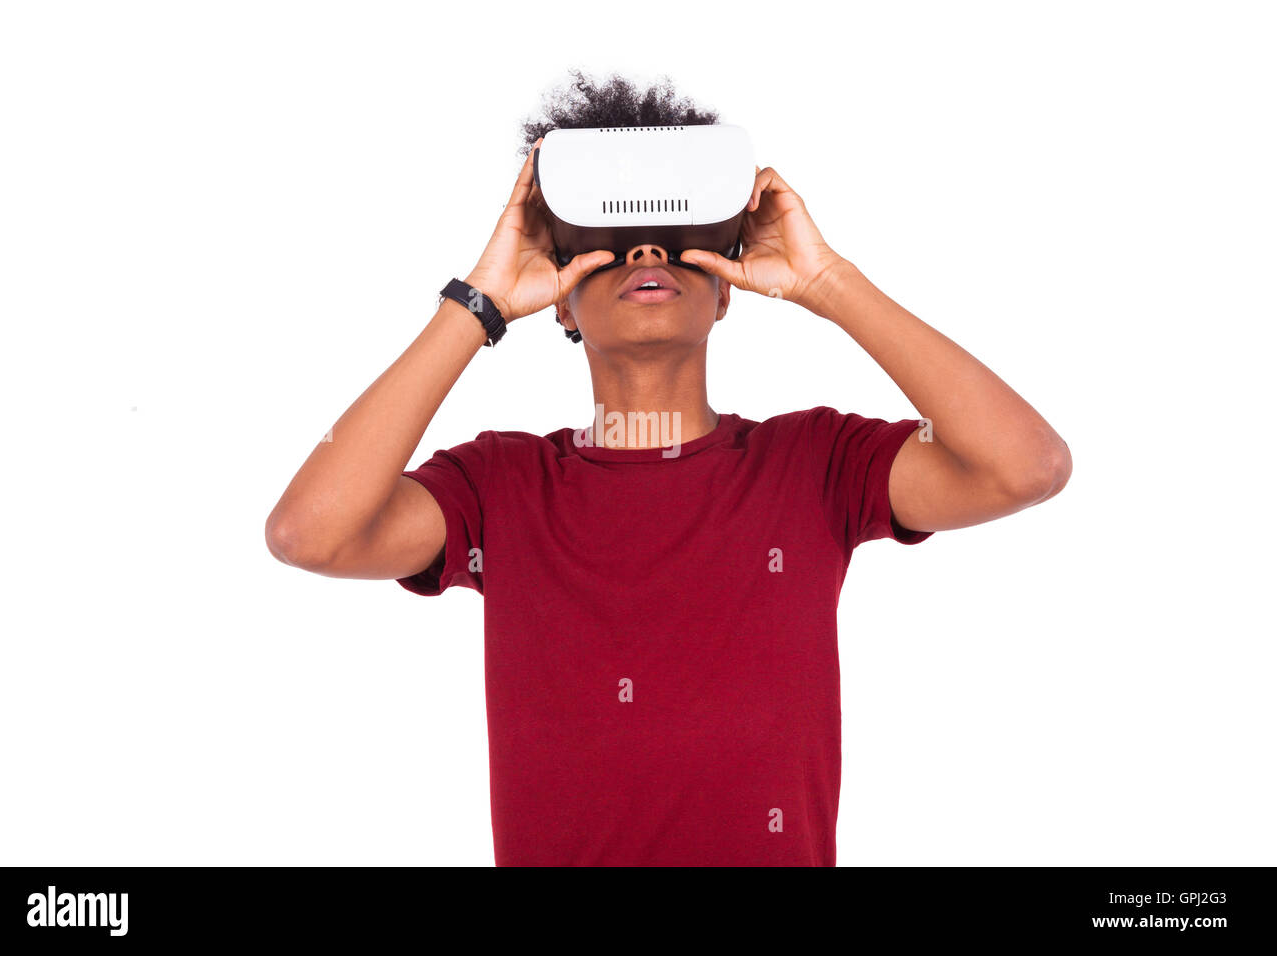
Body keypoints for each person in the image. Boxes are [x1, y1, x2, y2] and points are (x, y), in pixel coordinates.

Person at [264, 72, 1072, 866]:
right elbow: (309, 533)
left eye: (678, 231)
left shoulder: (814, 464)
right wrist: (478, 301)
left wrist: (829, 281)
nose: (646, 248)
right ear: (559, 297)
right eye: (606, 238)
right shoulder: (498, 489)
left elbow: (1026, 465)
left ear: (725, 291)